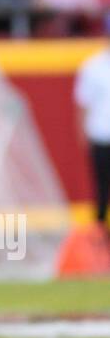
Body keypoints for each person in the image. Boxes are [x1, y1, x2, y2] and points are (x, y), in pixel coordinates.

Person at [74, 27, 110, 232]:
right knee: (102, 187)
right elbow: (83, 103)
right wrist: (83, 133)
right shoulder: (93, 67)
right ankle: (100, 235)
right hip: (101, 134)